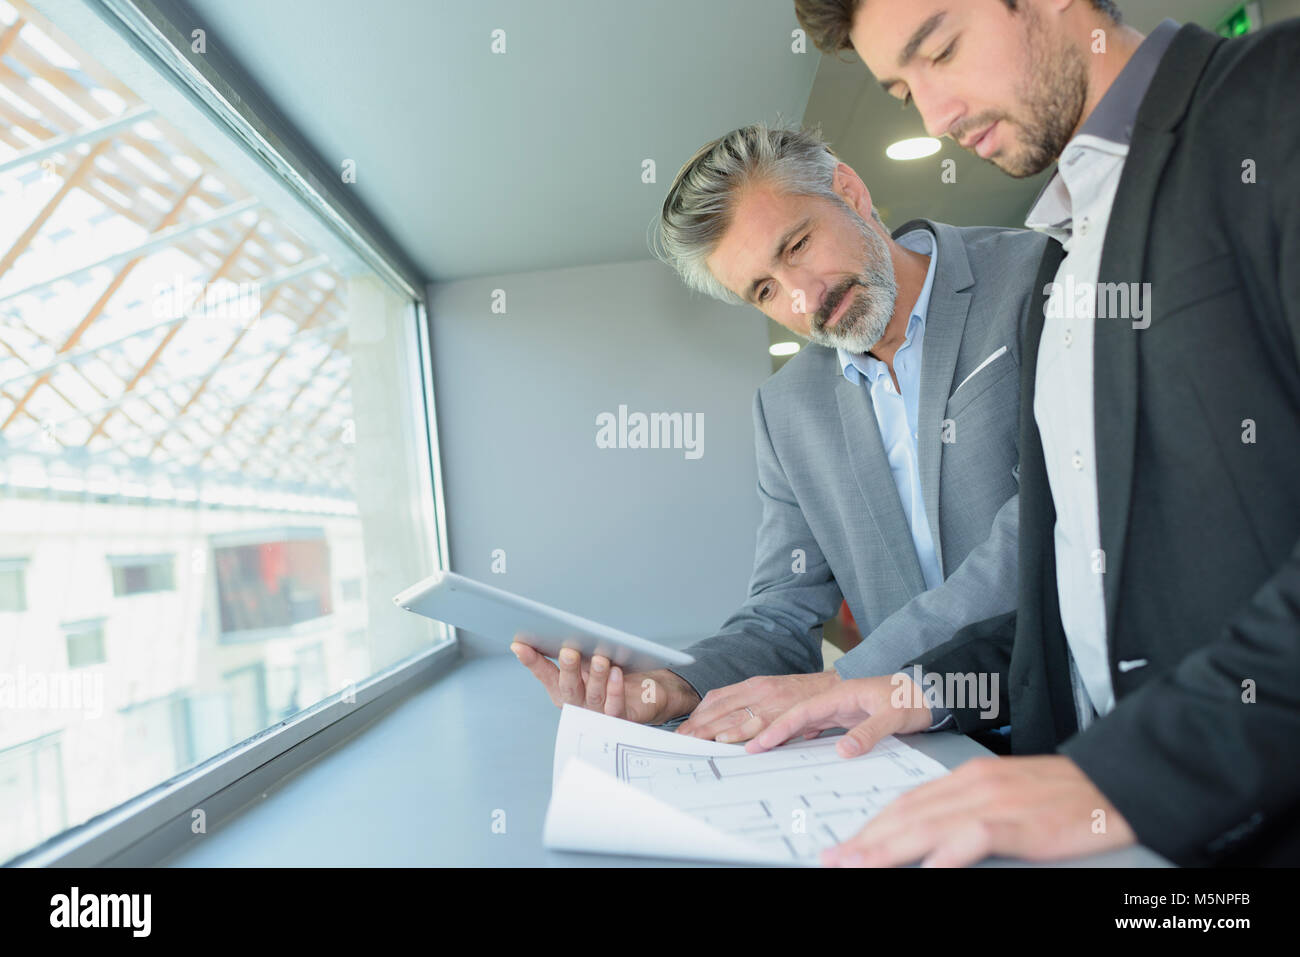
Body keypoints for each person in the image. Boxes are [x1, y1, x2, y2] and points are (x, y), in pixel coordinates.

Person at [763, 0, 1300, 866]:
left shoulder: (1274, 99)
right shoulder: (1060, 267)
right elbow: (1077, 589)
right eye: (906, 91)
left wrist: (1124, 776)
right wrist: (913, 688)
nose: (937, 118)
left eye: (941, 49)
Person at [513, 123, 1044, 747]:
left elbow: (1042, 533)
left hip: (1066, 715)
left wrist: (843, 679)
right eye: (765, 289)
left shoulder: (1035, 279)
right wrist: (666, 690)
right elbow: (782, 615)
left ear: (848, 190)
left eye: (796, 245)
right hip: (925, 757)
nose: (803, 295)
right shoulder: (787, 409)